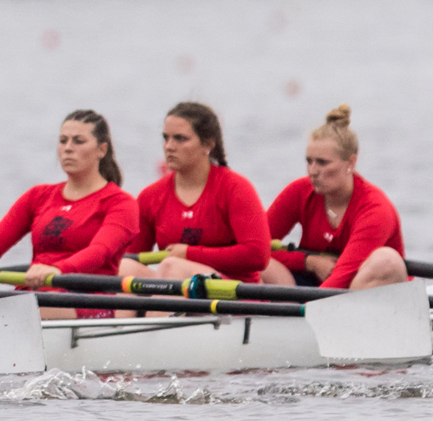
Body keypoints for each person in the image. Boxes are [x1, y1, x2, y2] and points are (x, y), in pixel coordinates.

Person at [0, 110, 139, 319]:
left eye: (78, 141)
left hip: (88, 300)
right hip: (37, 295)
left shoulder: (121, 203)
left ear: (101, 149)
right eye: (63, 141)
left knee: (12, 314)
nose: (68, 148)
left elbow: (99, 251)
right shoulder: (38, 196)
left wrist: (57, 269)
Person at [120, 101, 270, 286]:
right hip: (178, 285)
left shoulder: (236, 188)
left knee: (172, 267)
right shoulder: (150, 197)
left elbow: (258, 255)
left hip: (234, 291)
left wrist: (189, 254)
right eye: (166, 138)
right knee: (124, 267)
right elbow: (132, 256)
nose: (169, 146)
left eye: (180, 139)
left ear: (208, 144)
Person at [264, 105, 408, 290]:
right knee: (260, 265)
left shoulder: (375, 209)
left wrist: (306, 307)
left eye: (322, 162)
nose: (312, 171)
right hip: (313, 286)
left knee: (387, 261)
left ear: (350, 163)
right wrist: (309, 262)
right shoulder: (299, 191)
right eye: (309, 161)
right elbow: (254, 248)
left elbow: (341, 277)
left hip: (356, 288)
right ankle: (284, 306)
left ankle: (295, 307)